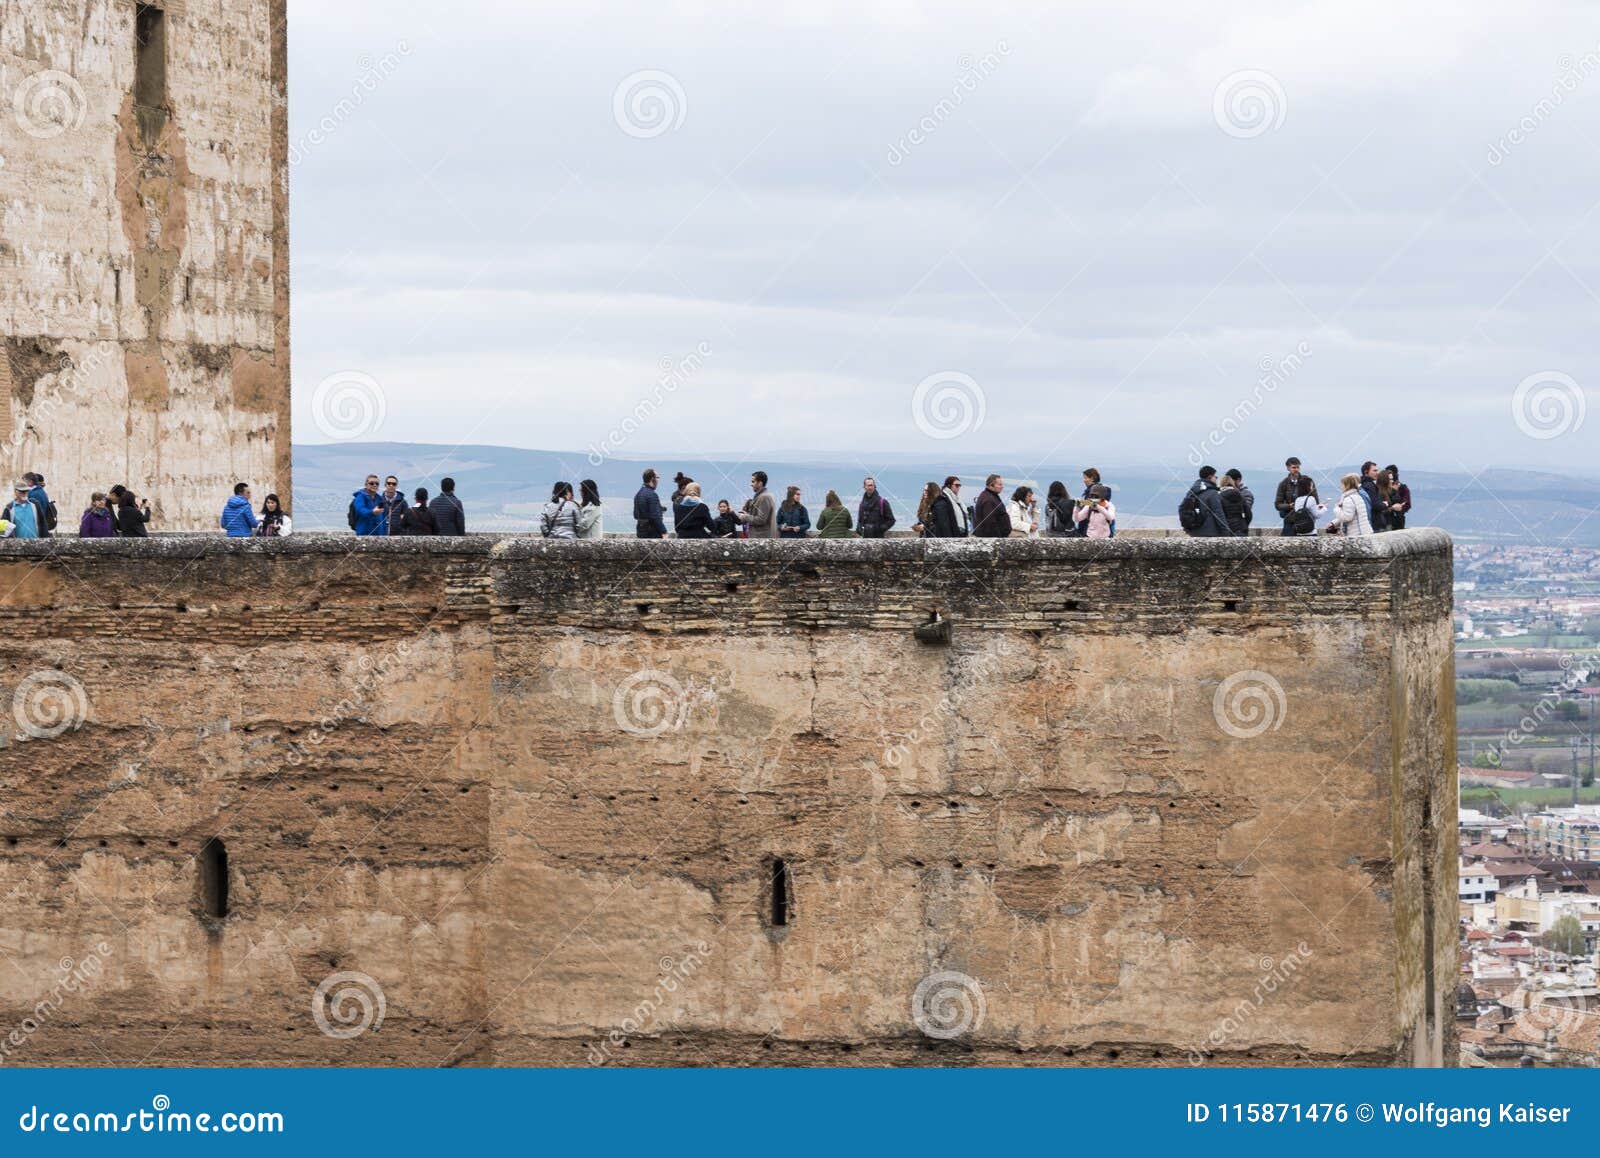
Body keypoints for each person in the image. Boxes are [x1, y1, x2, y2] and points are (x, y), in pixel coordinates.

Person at [1179, 467, 1228, 537]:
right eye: (1215, 477)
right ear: (1210, 477)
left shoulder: (1192, 492)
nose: (1216, 479)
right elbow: (1218, 514)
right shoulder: (1212, 492)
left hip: (1193, 533)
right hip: (1210, 533)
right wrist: (1226, 533)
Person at [1274, 457, 1315, 523]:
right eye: (1294, 467)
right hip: (1290, 518)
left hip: (1305, 518)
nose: (1296, 470)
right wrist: (1289, 506)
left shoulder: (1307, 481)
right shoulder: (1283, 484)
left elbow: (1315, 499)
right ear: (1288, 468)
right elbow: (1277, 505)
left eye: (1298, 467)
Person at [738, 471, 778, 539]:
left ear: (760, 483)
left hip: (762, 539)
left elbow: (761, 520)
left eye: (753, 482)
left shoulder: (764, 497)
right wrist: (747, 514)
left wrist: (745, 516)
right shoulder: (761, 496)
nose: (751, 484)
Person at [633, 469, 667, 540]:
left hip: (640, 530)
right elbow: (655, 516)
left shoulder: (638, 494)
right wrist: (664, 531)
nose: (658, 480)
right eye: (657, 477)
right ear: (652, 479)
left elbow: (636, 515)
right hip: (652, 532)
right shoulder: (652, 495)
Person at [1359, 461, 1389, 532]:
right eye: (1374, 471)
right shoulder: (1369, 485)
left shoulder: (1362, 484)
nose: (1377, 473)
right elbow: (1375, 505)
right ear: (1366, 472)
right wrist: (1384, 504)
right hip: (1375, 523)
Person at [1385, 465, 1412, 530]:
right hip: (1390, 520)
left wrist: (1399, 508)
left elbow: (1407, 504)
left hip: (1396, 519)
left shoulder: (1402, 488)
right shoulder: (1383, 488)